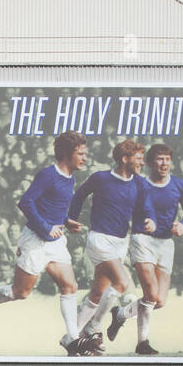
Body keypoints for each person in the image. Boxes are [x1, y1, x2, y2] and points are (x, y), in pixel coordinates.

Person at [0, 131, 97, 356]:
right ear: (68, 154)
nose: (85, 158)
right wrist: (46, 227)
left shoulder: (71, 177)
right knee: (20, 293)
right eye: (81, 153)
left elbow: (52, 206)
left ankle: (72, 338)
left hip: (55, 242)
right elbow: (26, 203)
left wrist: (66, 221)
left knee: (70, 286)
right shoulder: (48, 175)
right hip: (36, 241)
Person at [112, 143, 183, 356]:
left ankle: (121, 314)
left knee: (158, 301)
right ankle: (143, 342)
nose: (164, 163)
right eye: (159, 159)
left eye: (167, 159)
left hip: (166, 243)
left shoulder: (178, 184)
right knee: (151, 293)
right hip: (143, 240)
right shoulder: (139, 184)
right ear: (149, 163)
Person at [66, 139, 145, 344]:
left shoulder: (138, 182)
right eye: (138, 159)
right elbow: (79, 195)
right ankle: (94, 326)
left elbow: (146, 207)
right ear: (124, 159)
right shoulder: (101, 178)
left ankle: (71, 336)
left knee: (97, 293)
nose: (142, 163)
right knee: (122, 282)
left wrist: (150, 220)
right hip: (99, 240)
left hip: (121, 243)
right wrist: (71, 218)